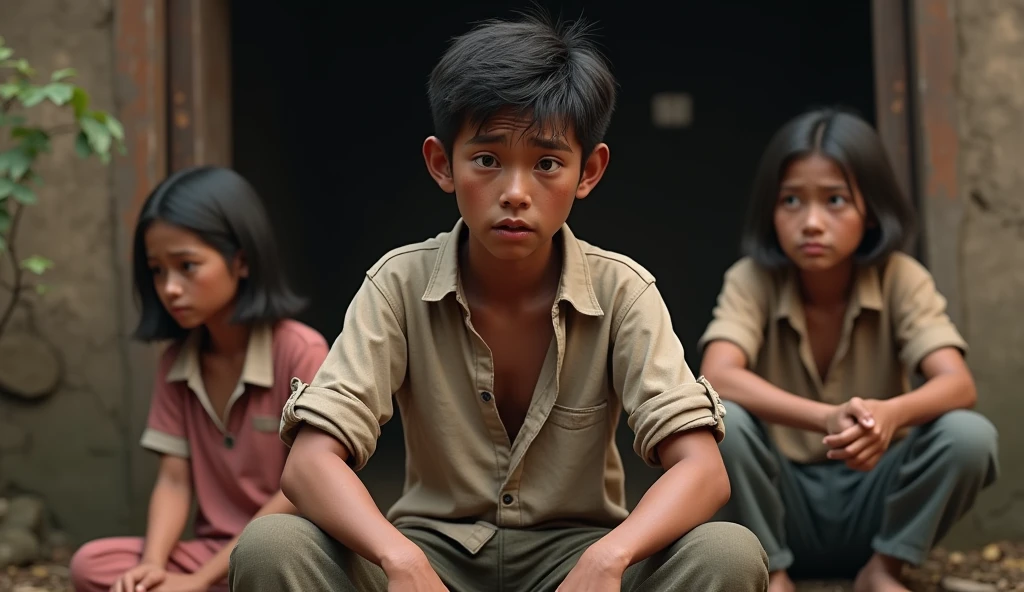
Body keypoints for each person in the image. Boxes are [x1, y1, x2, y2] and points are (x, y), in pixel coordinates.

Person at [228, 10, 768, 592]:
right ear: (443, 164)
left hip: (579, 561)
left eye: (547, 163)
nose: (515, 193)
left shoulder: (623, 293)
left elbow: (704, 470)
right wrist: (399, 560)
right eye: (487, 159)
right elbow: (309, 464)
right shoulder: (397, 284)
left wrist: (610, 559)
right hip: (431, 556)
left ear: (588, 171)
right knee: (272, 546)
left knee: (727, 553)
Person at [698, 108, 999, 592]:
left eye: (835, 200)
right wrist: (824, 417)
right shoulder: (751, 280)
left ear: (872, 209)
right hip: (779, 504)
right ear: (770, 211)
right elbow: (718, 374)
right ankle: (773, 572)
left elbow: (958, 384)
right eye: (791, 200)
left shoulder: (901, 277)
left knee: (969, 436)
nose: (812, 222)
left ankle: (883, 570)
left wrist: (890, 415)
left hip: (876, 505)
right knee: (720, 419)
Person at [69, 166, 329, 592]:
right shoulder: (176, 359)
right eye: (156, 270)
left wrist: (194, 583)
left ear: (241, 261)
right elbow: (173, 481)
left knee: (270, 562)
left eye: (187, 266)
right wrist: (153, 567)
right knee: (92, 563)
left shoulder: (301, 350)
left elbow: (300, 492)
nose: (169, 288)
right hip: (209, 553)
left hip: (282, 548)